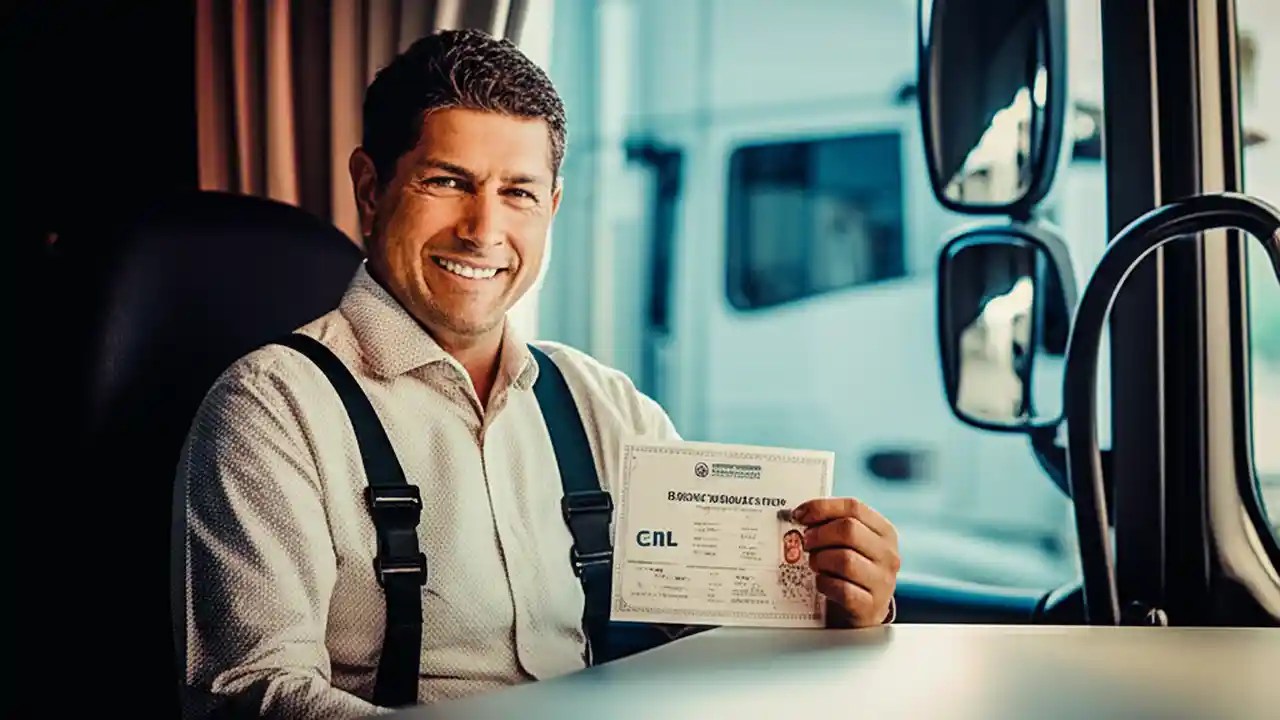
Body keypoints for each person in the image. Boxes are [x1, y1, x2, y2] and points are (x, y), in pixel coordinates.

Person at [173, 28, 901, 719]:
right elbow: (249, 694)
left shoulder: (602, 405)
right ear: (371, 187)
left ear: (551, 207)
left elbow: (712, 640)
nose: (484, 229)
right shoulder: (270, 408)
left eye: (518, 192)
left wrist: (834, 610)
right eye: (448, 181)